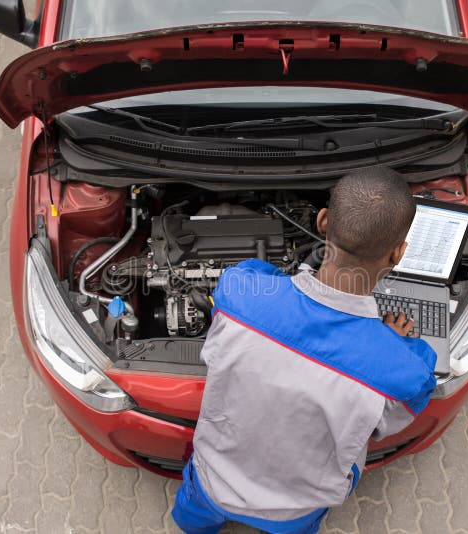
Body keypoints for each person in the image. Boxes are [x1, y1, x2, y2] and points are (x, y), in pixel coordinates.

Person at [172, 167, 438, 534]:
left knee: (193, 517)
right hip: (293, 510)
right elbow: (388, 422)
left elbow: (252, 273)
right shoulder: (403, 369)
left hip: (212, 479)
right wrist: (389, 341)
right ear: (399, 253)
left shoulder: (239, 296)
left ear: (323, 221)